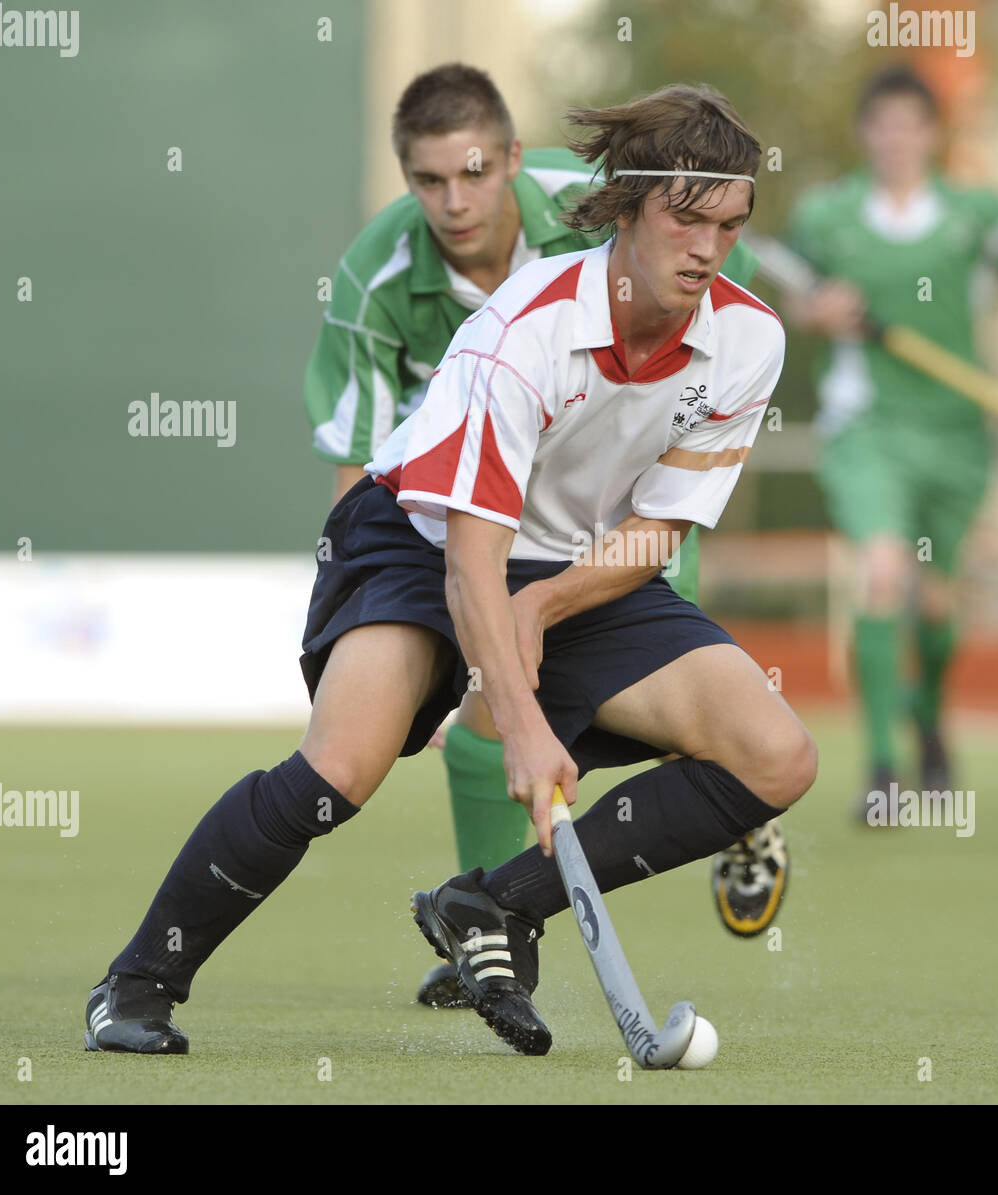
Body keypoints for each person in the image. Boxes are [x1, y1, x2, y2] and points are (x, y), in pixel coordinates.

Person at [85, 83, 815, 1058]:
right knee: (338, 772)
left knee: (775, 754)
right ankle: (137, 983)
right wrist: (518, 724)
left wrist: (549, 601)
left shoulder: (747, 338)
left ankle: (492, 901)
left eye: (728, 224)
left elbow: (657, 528)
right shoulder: (529, 331)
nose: (706, 249)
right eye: (684, 220)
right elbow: (474, 562)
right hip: (420, 538)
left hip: (569, 557)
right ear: (626, 210)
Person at [303, 65, 789, 1013]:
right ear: (404, 180)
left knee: (697, 699)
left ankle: (727, 796)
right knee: (488, 711)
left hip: (615, 495)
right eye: (429, 182)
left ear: (516, 162)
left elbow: (720, 270)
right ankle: (484, 925)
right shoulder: (376, 275)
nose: (455, 201)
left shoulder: (603, 206)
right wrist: (384, 605)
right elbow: (360, 460)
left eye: (475, 174)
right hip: (477, 489)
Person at [783, 66, 998, 818]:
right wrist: (816, 314)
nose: (897, 139)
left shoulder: (978, 213)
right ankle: (880, 769)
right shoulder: (827, 216)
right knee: (879, 572)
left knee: (938, 607)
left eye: (912, 125)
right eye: (883, 124)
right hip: (867, 427)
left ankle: (928, 716)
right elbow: (788, 295)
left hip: (958, 433)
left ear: (933, 135)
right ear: (864, 133)